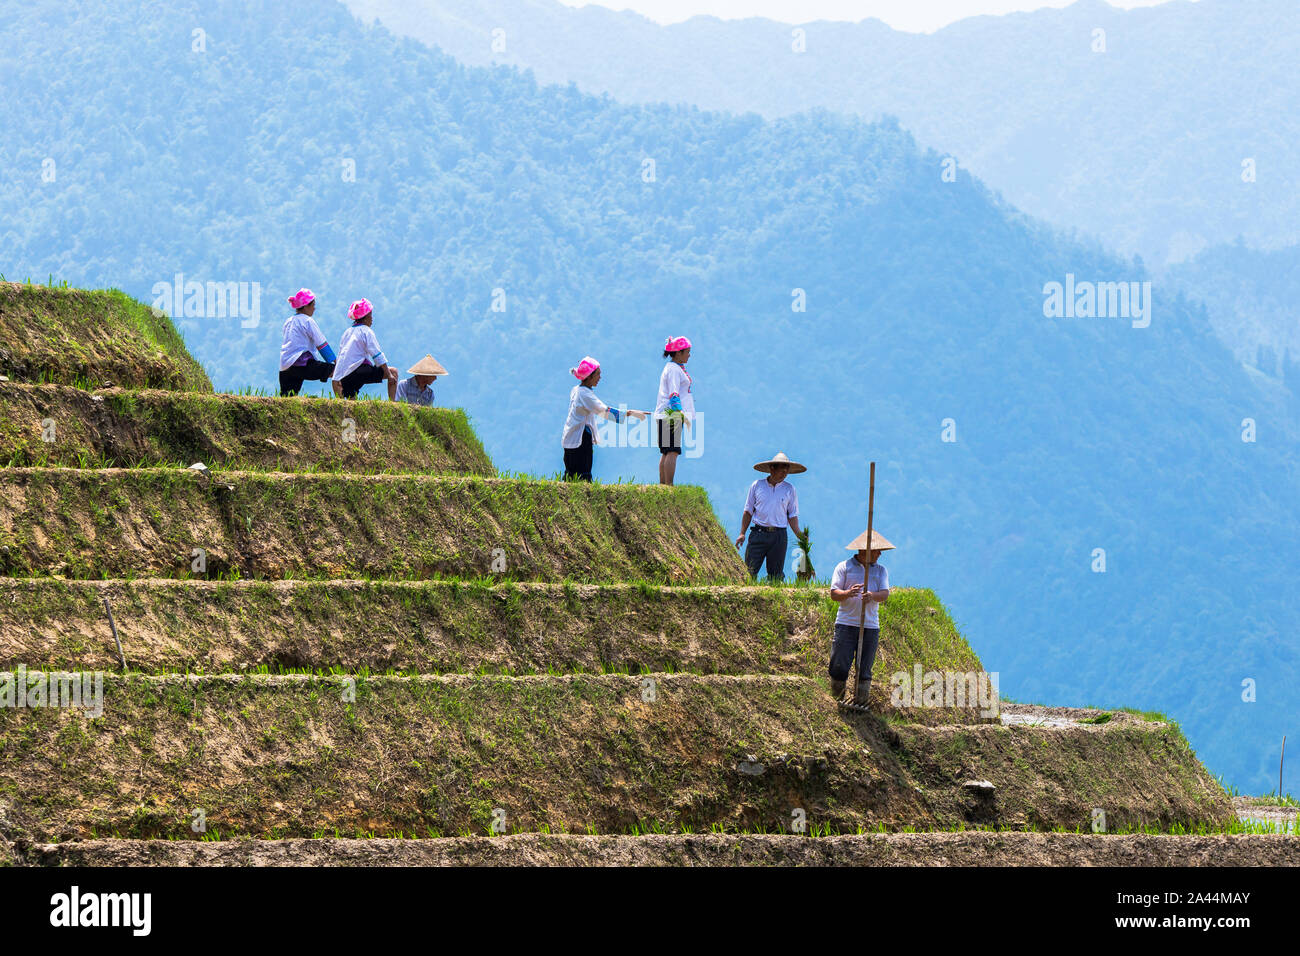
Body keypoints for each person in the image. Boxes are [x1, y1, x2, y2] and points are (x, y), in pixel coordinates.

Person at [828, 529, 894, 702]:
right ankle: (837, 698)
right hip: (846, 623)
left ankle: (861, 700)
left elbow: (885, 594)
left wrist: (872, 596)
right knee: (839, 665)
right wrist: (848, 593)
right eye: (877, 550)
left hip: (870, 626)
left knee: (865, 668)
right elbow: (834, 593)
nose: (880, 554)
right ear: (865, 550)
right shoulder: (844, 567)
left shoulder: (880, 571)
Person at [562, 356, 648, 481]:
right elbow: (605, 411)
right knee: (583, 475)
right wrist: (631, 413)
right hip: (581, 438)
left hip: (570, 437)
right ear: (589, 376)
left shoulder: (576, 390)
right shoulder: (585, 395)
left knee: (570, 475)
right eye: (597, 374)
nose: (600, 378)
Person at [734, 452, 805, 581]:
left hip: (779, 536)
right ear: (772, 468)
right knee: (749, 571)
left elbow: (792, 515)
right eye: (781, 470)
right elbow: (748, 511)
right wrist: (742, 533)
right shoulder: (757, 486)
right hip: (758, 533)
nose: (784, 474)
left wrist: (799, 534)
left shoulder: (789, 489)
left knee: (775, 576)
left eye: (786, 471)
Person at [331, 298, 398, 400]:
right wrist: (389, 375)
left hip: (344, 376)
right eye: (370, 315)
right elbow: (376, 354)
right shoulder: (366, 331)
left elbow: (341, 355)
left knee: (351, 400)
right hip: (358, 371)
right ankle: (393, 404)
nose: (372, 319)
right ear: (366, 317)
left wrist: (337, 377)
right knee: (394, 372)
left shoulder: (347, 332)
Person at [277, 289, 336, 395]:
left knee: (288, 398)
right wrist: (336, 362)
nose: (314, 308)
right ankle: (344, 401)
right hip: (302, 364)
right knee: (336, 372)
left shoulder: (288, 321)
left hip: (285, 366)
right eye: (313, 305)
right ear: (305, 306)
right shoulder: (307, 321)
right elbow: (321, 344)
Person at [654, 336, 694, 485]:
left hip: (666, 414)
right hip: (671, 415)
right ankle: (668, 484)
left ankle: (664, 484)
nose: (689, 355)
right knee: (672, 450)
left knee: (667, 451)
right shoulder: (674, 370)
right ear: (678, 353)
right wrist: (680, 412)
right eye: (687, 352)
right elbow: (674, 394)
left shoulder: (673, 368)